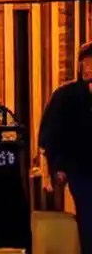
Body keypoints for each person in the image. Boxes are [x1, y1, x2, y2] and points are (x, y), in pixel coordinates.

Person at [38, 41, 92, 254]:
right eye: (85, 63)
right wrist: (57, 166)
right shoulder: (65, 95)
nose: (88, 68)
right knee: (88, 218)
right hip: (79, 169)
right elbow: (50, 134)